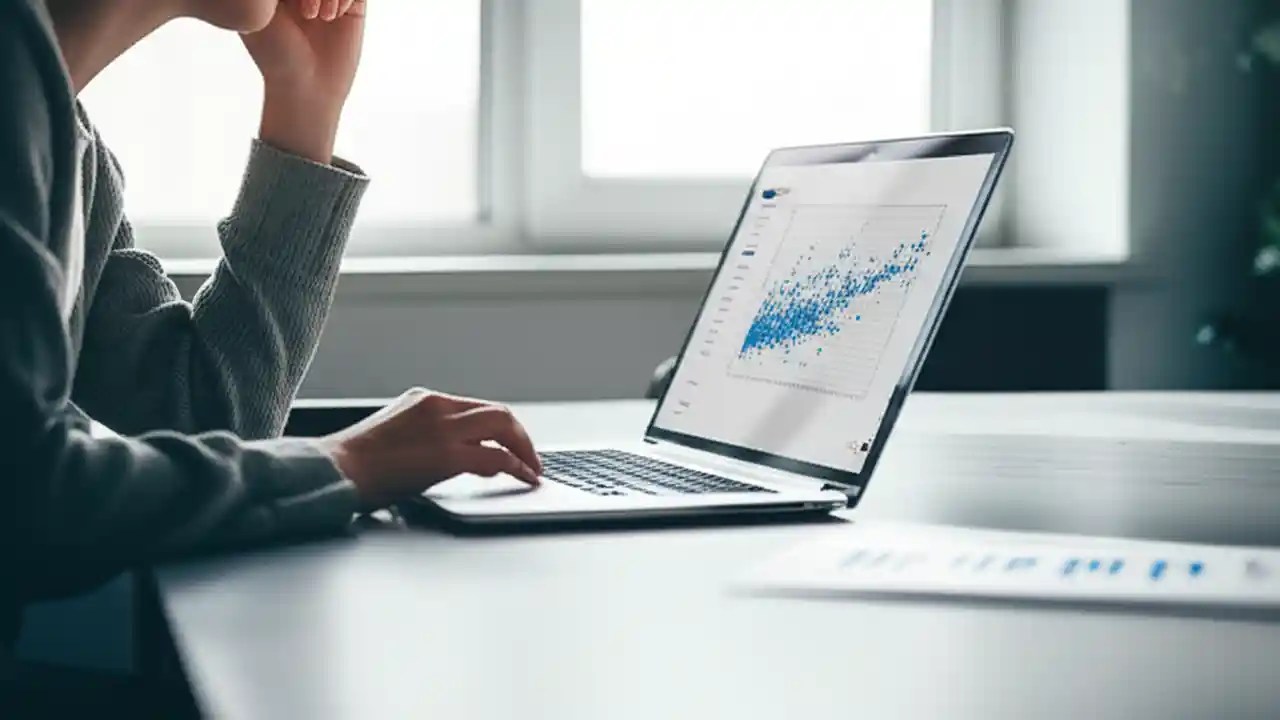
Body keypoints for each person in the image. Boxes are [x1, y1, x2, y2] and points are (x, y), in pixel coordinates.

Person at [1, 0, 543, 709]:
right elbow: (30, 498)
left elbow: (207, 412)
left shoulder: (61, 125)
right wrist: (351, 462)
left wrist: (302, 106)